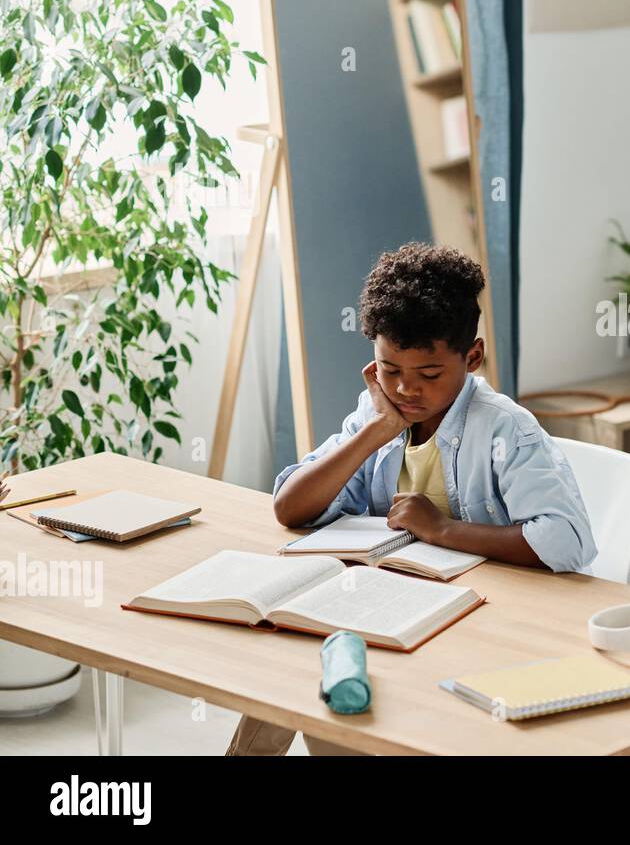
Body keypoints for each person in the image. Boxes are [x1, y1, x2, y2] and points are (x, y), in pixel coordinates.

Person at [226, 242, 595, 755]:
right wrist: (371, 433)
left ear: (472, 356)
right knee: (294, 661)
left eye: (428, 374)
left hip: (484, 622)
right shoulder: (380, 413)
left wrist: (442, 531)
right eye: (388, 369)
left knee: (330, 676)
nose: (404, 390)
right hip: (393, 606)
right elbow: (291, 508)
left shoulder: (505, 428)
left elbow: (566, 540)